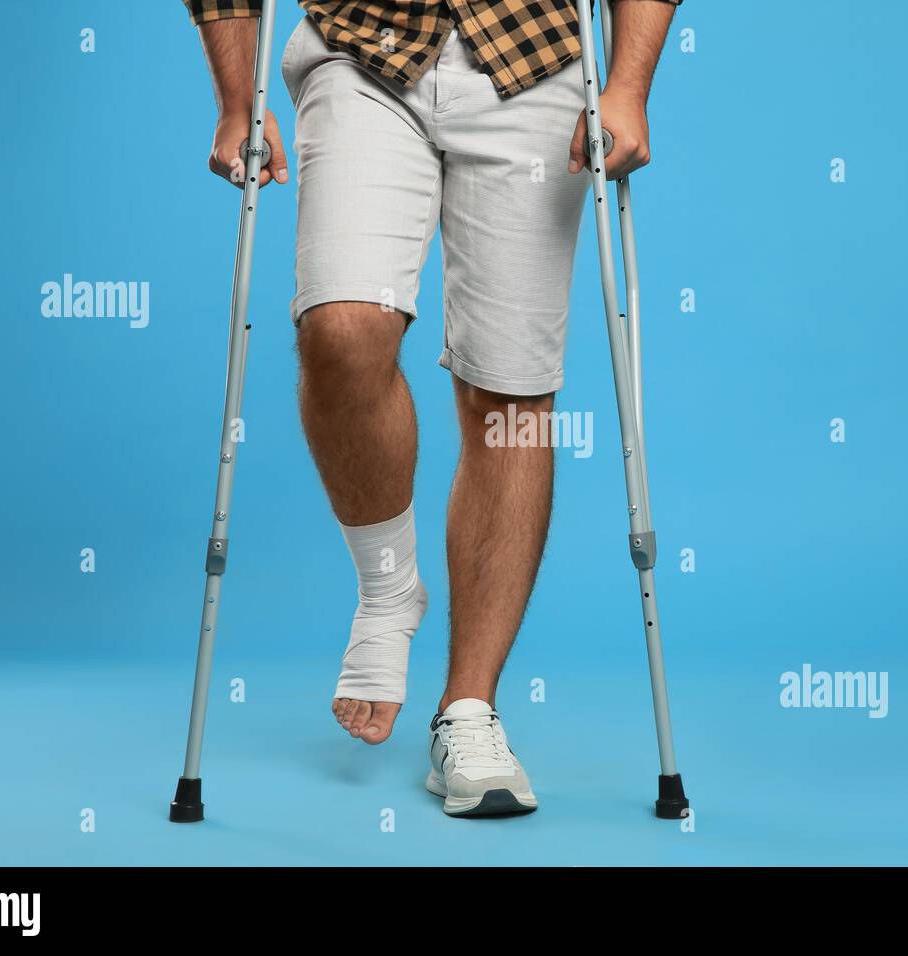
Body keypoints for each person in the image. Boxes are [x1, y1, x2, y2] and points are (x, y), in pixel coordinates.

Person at [181, 0, 678, 816]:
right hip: (361, 48)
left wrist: (627, 86)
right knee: (342, 332)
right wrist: (237, 101)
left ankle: (468, 710)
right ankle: (388, 590)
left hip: (533, 61)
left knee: (510, 394)